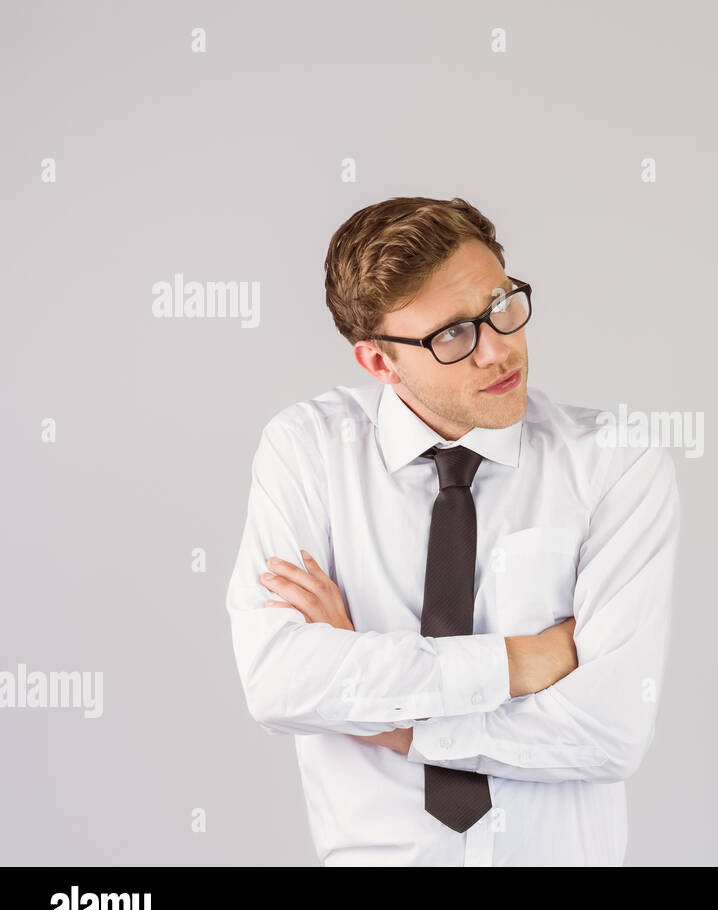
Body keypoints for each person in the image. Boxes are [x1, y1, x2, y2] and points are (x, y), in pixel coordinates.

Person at [224, 196, 681, 866]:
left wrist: (389, 718)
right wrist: (521, 661)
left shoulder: (614, 461)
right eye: (452, 335)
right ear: (379, 363)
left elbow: (610, 732)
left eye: (502, 305)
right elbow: (278, 682)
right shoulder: (309, 451)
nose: (498, 350)